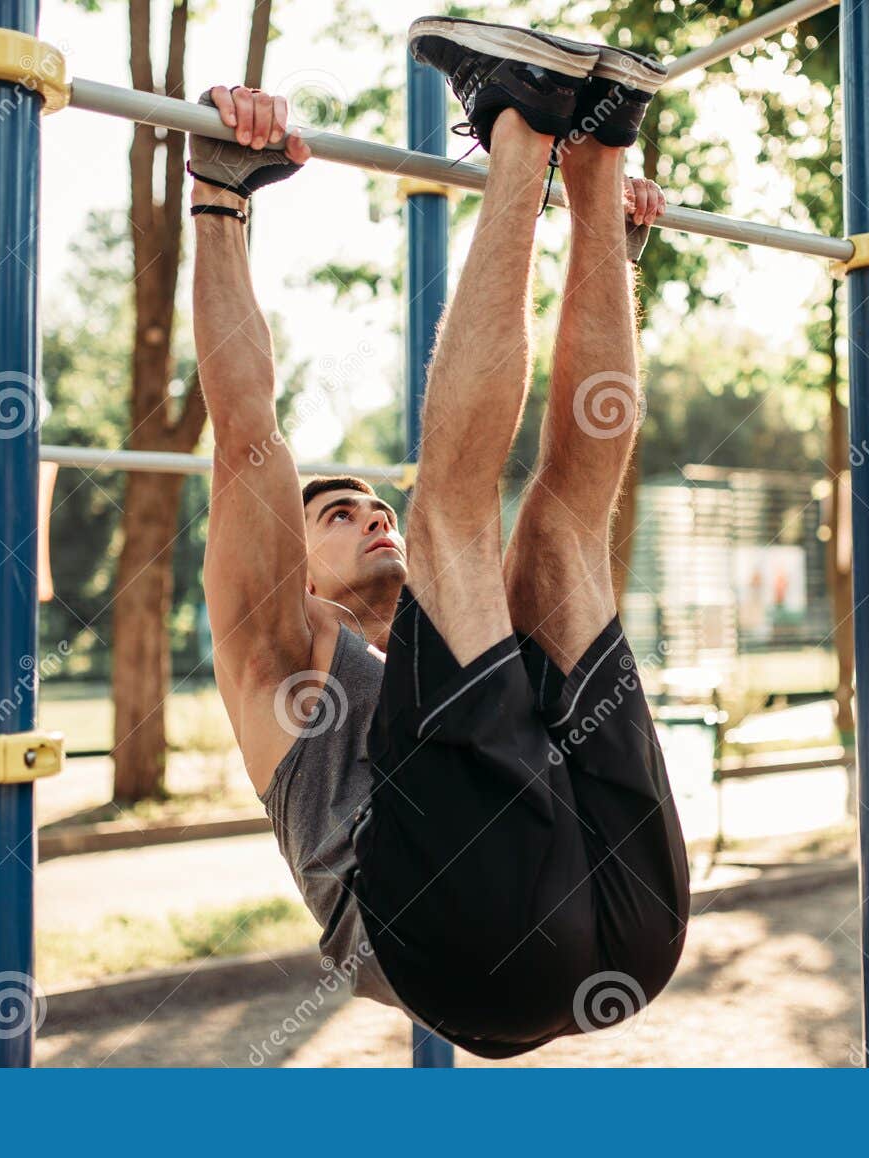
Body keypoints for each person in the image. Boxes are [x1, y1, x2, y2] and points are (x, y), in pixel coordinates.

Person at [191, 17, 689, 1059]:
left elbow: (566, 496)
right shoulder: (278, 654)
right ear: (301, 571)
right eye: (336, 514)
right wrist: (217, 202)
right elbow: (245, 427)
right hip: (467, 958)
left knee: (561, 529)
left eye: (369, 505)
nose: (371, 515)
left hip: (636, 932)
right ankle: (519, 120)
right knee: (455, 516)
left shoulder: (469, 643)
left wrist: (605, 247)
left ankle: (597, 151)